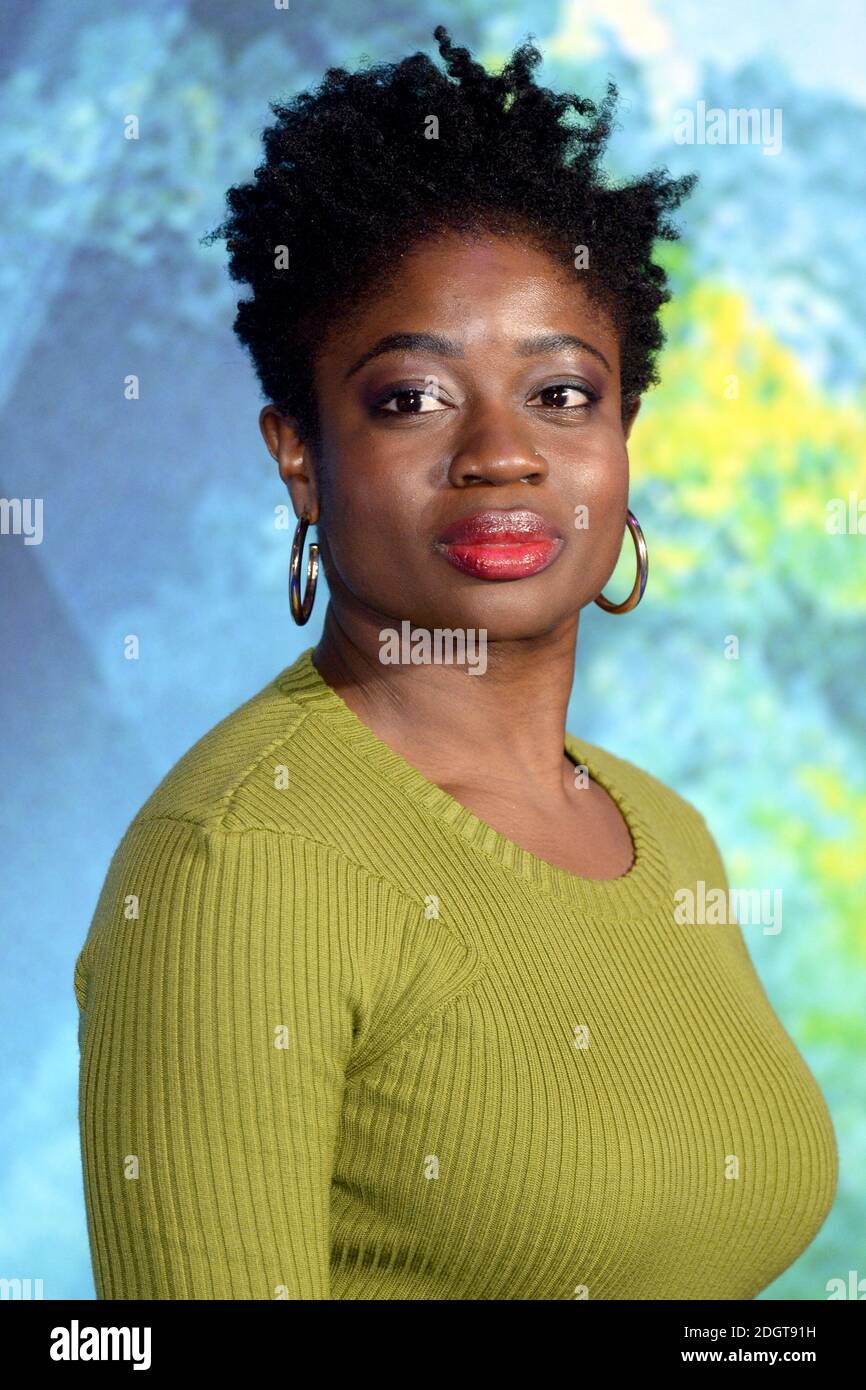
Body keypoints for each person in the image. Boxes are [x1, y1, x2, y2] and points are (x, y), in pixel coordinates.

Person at [74, 25, 837, 1300]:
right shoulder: (243, 866)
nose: (501, 453)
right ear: (299, 456)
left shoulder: (668, 835)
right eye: (410, 400)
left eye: (560, 394)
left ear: (620, 441)